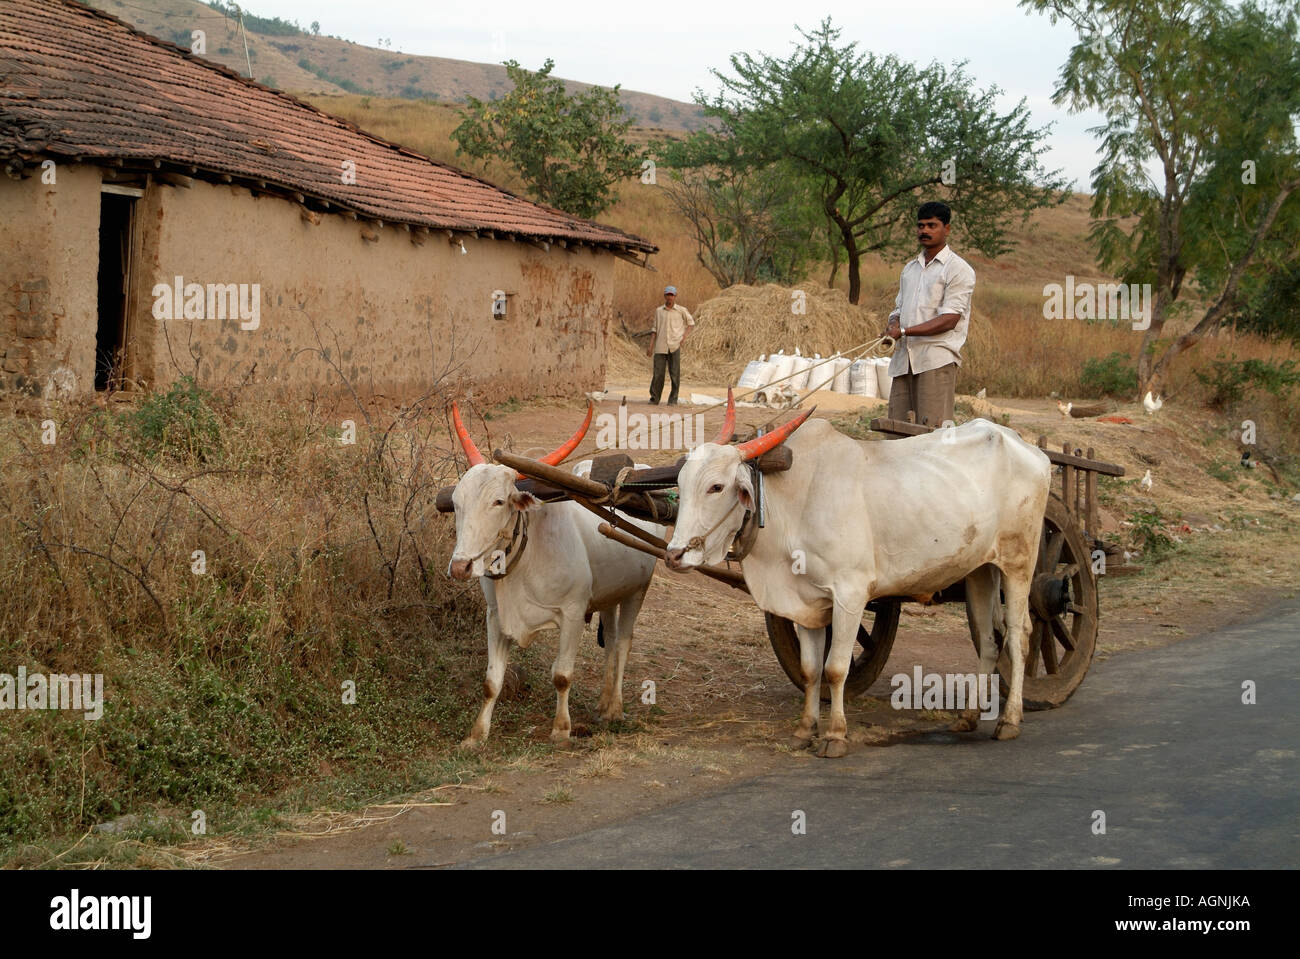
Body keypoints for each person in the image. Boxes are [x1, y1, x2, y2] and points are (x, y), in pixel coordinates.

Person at [883, 201, 976, 428]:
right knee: (896, 430)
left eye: (932, 225)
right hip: (904, 360)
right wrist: (893, 324)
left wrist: (903, 331)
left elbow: (950, 319)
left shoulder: (958, 269)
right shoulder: (910, 268)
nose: (924, 231)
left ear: (947, 229)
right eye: (921, 225)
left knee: (932, 434)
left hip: (934, 360)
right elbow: (898, 308)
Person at [647, 285, 694, 405]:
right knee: (658, 374)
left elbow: (691, 324)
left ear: (675, 296)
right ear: (664, 296)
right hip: (660, 346)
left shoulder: (681, 310)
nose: (669, 297)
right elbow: (654, 330)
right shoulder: (659, 311)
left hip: (675, 345)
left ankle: (673, 399)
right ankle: (654, 398)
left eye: (672, 295)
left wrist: (684, 337)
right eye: (668, 295)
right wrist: (651, 346)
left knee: (675, 373)